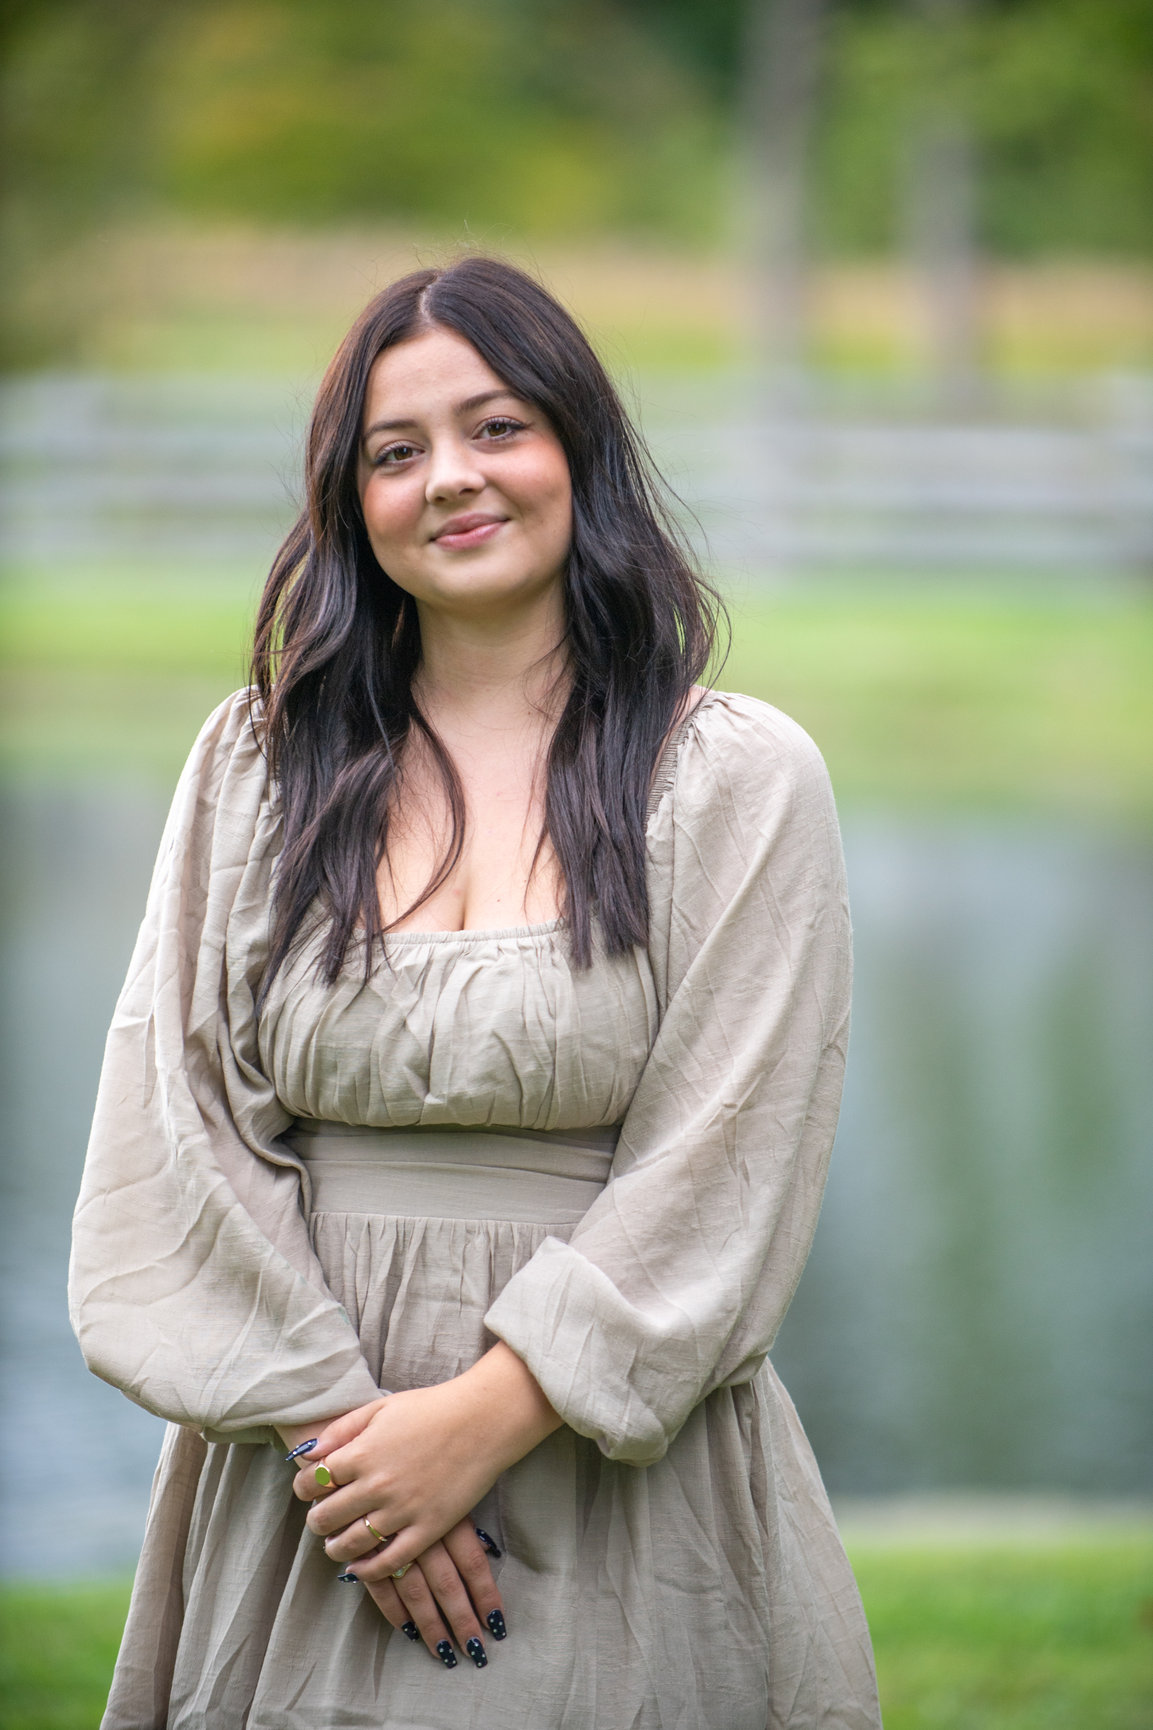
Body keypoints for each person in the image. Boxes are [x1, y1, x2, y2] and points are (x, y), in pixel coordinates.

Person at [70, 256, 881, 1730]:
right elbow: (174, 1125)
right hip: (306, 1485)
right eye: (396, 451)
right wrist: (348, 1447)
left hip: (628, 1479)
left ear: (581, 447)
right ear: (348, 499)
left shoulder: (738, 778)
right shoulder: (258, 763)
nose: (451, 478)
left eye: (495, 427)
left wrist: (483, 1418)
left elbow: (731, 1154)